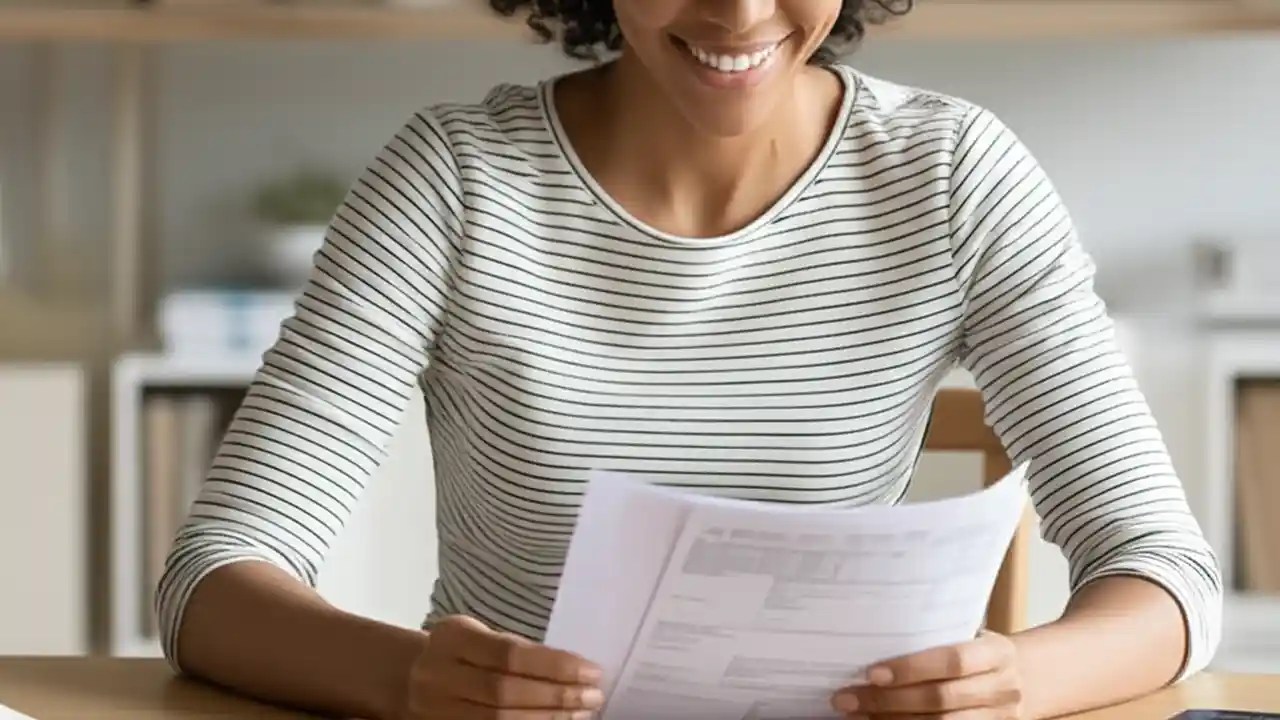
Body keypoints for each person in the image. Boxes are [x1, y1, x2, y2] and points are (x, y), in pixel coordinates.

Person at [155, 1, 1223, 718]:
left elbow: (1167, 580)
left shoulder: (948, 174)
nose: (740, 10)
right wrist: (408, 679)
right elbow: (212, 580)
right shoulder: (457, 181)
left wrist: (1014, 679)